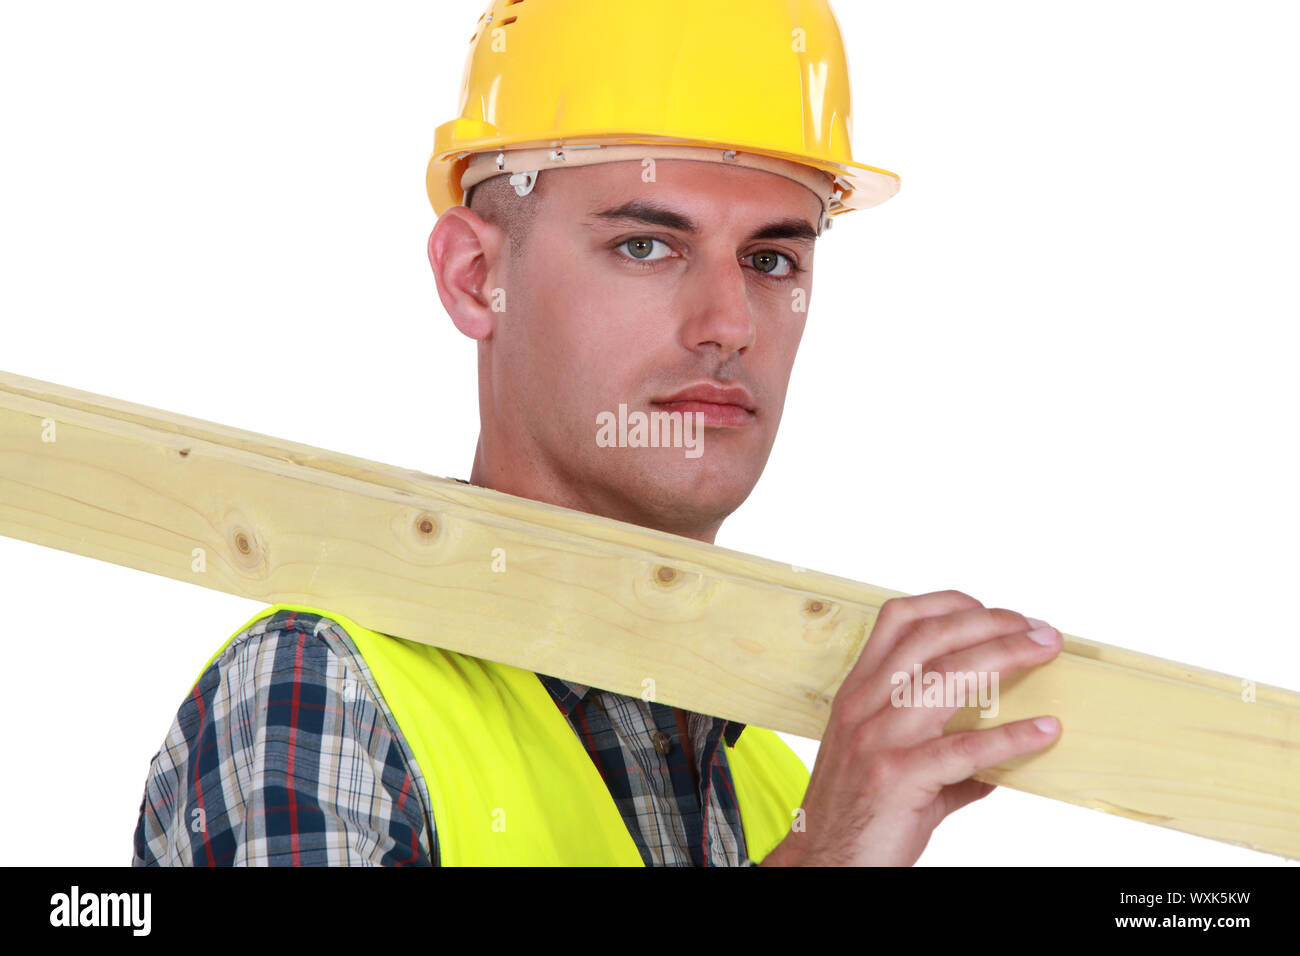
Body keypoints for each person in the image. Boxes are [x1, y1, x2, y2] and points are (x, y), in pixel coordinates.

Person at [132, 0, 1063, 867]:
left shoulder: (777, 784)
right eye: (646, 246)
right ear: (472, 277)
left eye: (771, 258)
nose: (729, 322)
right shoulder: (321, 699)